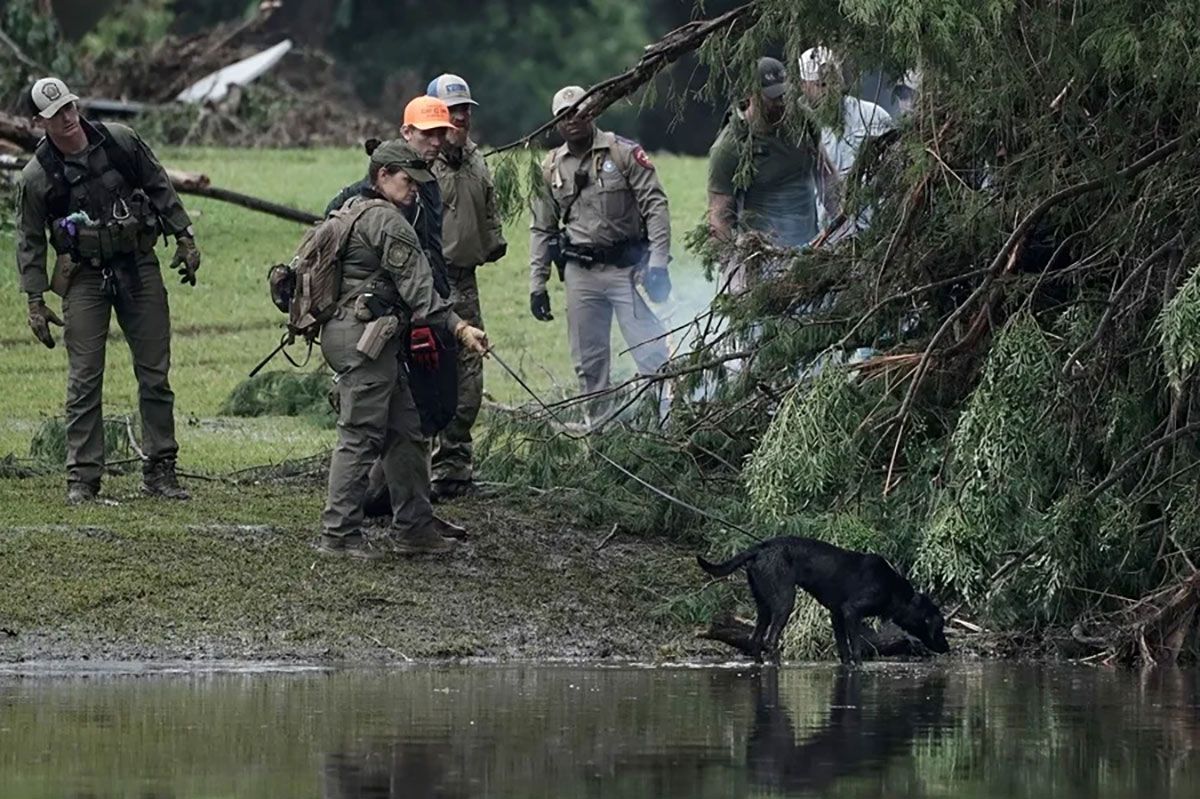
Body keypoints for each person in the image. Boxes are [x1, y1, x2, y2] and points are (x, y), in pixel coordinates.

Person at [15, 77, 201, 505]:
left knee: (155, 373)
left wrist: (185, 237)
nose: (67, 118)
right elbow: (29, 240)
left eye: (69, 107)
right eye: (55, 114)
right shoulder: (37, 176)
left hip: (138, 264)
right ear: (39, 122)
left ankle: (160, 469)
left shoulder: (119, 141)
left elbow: (158, 184)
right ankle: (83, 478)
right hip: (82, 276)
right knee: (84, 379)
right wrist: (35, 300)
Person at [318, 139, 489, 559]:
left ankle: (414, 528)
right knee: (360, 435)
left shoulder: (351, 208)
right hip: (364, 341)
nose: (415, 188)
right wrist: (461, 327)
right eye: (407, 180)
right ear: (382, 176)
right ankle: (338, 535)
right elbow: (422, 292)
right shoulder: (388, 222)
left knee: (406, 430)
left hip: (359, 335)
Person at [529, 85, 672, 404]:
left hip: (626, 268)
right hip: (581, 274)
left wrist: (659, 262)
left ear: (592, 111)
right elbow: (542, 227)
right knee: (590, 367)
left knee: (652, 355)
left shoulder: (623, 153)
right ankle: (600, 436)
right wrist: (537, 284)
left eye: (579, 111)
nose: (573, 120)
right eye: (564, 116)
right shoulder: (551, 167)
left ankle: (665, 427)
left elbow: (655, 205)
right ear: (556, 124)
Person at [423, 73, 507, 501]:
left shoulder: (476, 159)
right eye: (453, 110)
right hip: (425, 280)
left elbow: (488, 207)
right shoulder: (419, 162)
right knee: (425, 369)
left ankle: (454, 467)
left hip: (465, 281)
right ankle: (411, 469)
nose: (461, 118)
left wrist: (493, 242)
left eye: (465, 111)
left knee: (470, 377)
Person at [706, 57, 822, 293]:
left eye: (784, 95)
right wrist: (732, 270)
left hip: (811, 245)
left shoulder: (802, 120)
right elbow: (720, 217)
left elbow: (825, 173)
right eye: (773, 97)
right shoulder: (730, 147)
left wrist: (840, 223)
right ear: (751, 95)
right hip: (763, 256)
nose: (781, 103)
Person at [326, 95, 456, 300]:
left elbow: (432, 245)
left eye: (441, 134)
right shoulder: (378, 187)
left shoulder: (430, 184)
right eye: (427, 134)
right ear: (407, 132)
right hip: (381, 296)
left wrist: (441, 290)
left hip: (420, 291)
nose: (436, 142)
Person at [798, 47, 895, 234]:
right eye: (821, 84)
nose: (829, 90)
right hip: (832, 236)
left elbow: (895, 169)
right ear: (804, 85)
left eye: (833, 82)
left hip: (878, 230)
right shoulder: (801, 131)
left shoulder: (871, 116)